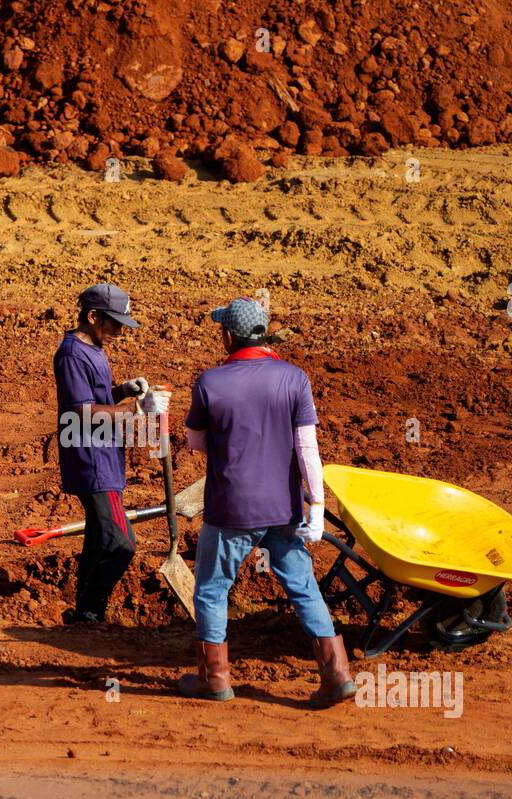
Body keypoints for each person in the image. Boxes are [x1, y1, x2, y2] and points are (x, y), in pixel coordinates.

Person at [179, 296, 355, 707]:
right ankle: (337, 673)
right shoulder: (294, 378)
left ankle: (217, 679)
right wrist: (315, 504)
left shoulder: (210, 382)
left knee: (210, 589)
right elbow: (306, 447)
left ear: (227, 335)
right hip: (284, 507)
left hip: (230, 508)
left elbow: (195, 441)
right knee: (303, 586)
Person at [52, 283, 167, 625]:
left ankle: (82, 611)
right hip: (92, 460)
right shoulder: (73, 354)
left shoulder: (94, 349)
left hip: (104, 456)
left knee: (99, 538)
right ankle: (91, 611)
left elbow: (95, 398)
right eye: (114, 322)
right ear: (91, 316)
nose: (120, 330)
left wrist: (121, 391)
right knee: (120, 543)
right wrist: (137, 409)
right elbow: (82, 412)